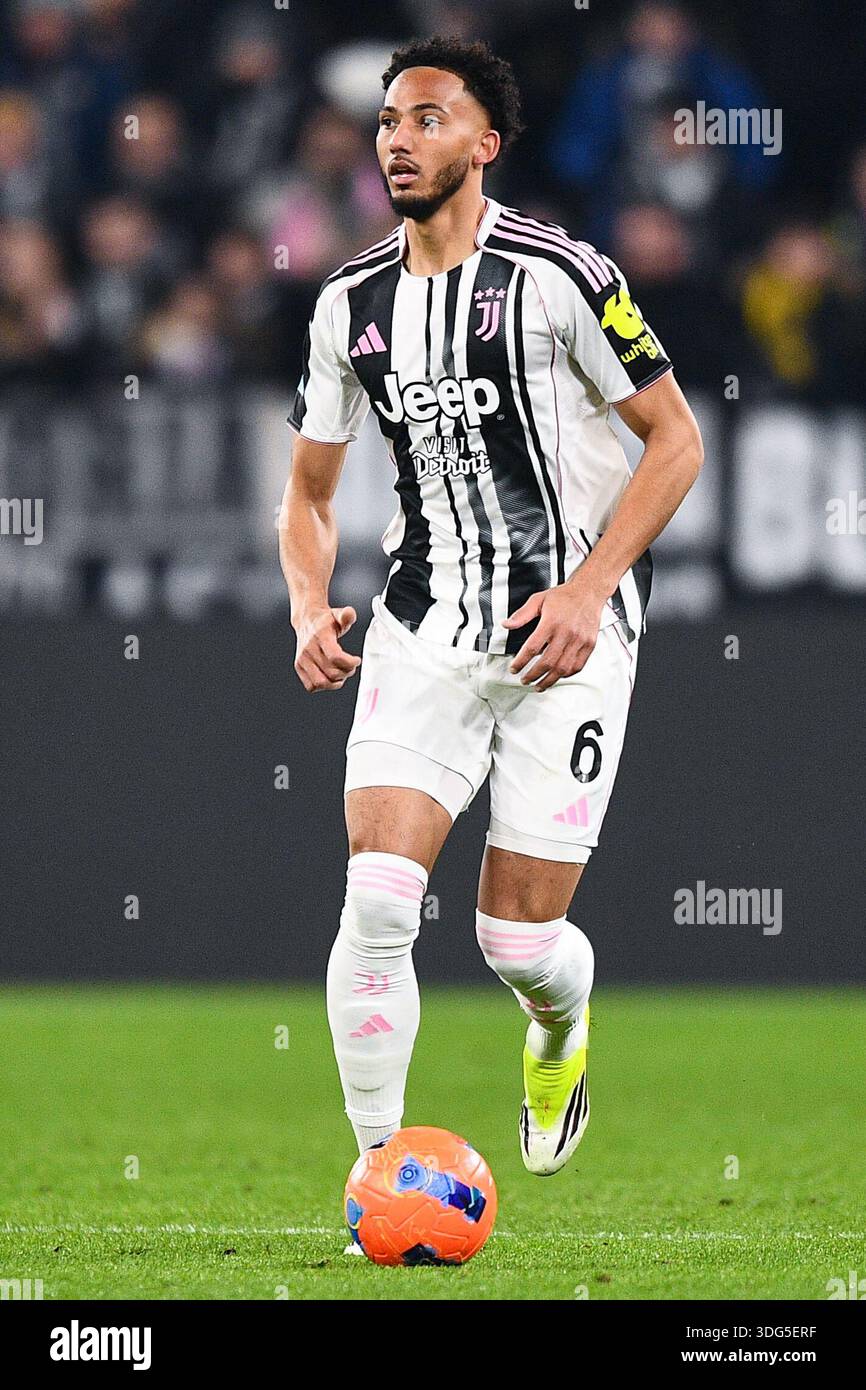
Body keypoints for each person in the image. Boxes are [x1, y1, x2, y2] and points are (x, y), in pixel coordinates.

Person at [279, 37, 702, 1189]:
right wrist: (310, 606)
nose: (397, 141)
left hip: (568, 635)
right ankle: (380, 1173)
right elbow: (309, 493)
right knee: (375, 896)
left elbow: (675, 443)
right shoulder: (347, 303)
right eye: (386, 123)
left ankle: (558, 1030)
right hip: (424, 626)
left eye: (426, 120)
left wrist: (586, 589)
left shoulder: (564, 274)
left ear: (484, 143)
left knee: (515, 942)